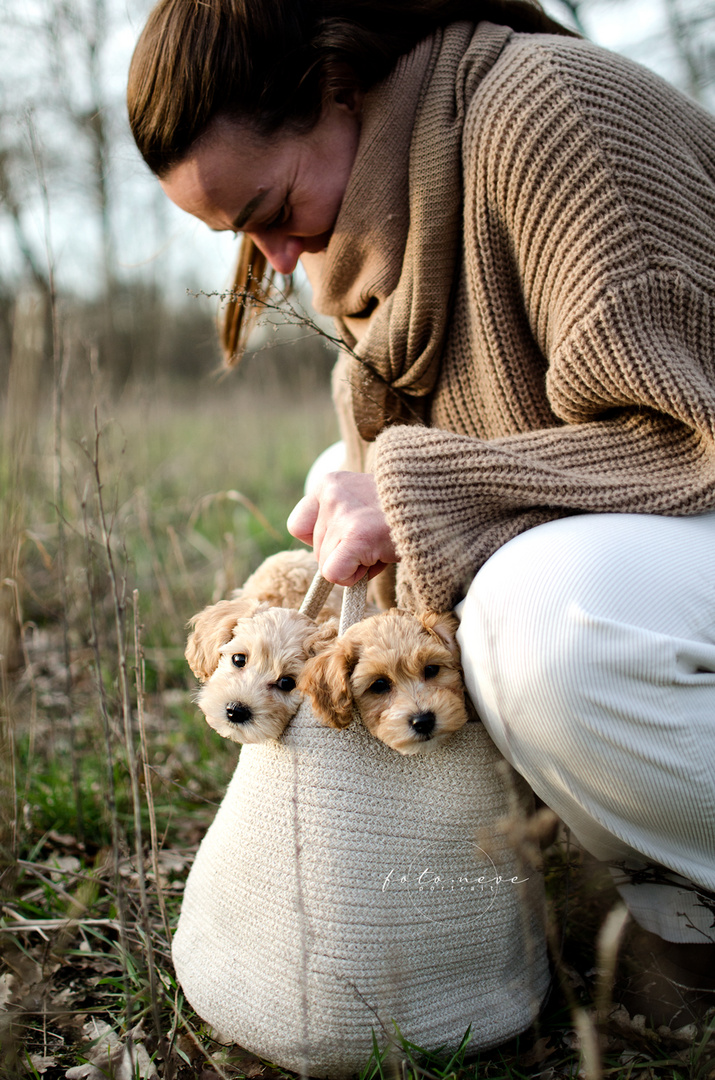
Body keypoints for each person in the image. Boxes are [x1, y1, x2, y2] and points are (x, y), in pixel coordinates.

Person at [128, 0, 715, 1017]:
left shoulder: (549, 114)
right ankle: (660, 894)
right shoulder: (378, 246)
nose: (273, 259)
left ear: (335, 85)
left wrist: (413, 493)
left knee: (541, 615)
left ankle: (678, 894)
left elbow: (689, 430)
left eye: (269, 207)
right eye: (241, 234)